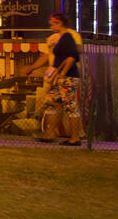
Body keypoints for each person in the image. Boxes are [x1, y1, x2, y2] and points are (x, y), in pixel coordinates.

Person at [27, 13, 83, 145]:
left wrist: (62, 72)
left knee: (70, 106)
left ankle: (75, 137)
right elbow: (56, 57)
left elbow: (72, 57)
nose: (51, 26)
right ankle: (49, 133)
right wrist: (56, 71)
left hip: (67, 77)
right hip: (57, 77)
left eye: (53, 23)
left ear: (60, 22)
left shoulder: (68, 36)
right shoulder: (60, 37)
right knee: (51, 102)